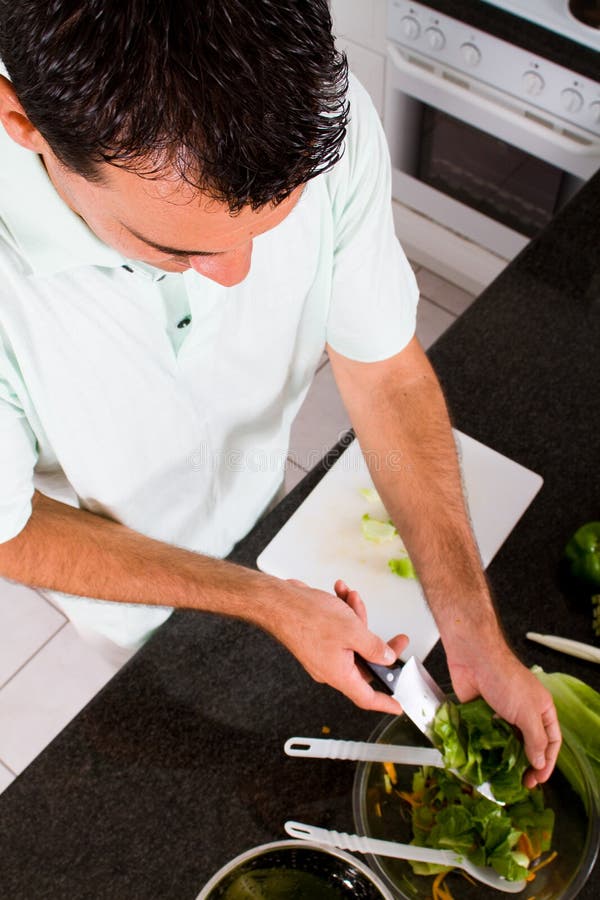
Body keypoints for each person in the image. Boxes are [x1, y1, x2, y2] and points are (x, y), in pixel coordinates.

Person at [0, 0, 559, 787]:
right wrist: (262, 601)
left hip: (264, 518)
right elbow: (8, 530)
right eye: (180, 247)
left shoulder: (316, 111)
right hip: (124, 587)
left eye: (271, 226)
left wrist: (467, 622)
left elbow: (384, 369)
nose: (241, 273)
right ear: (24, 124)